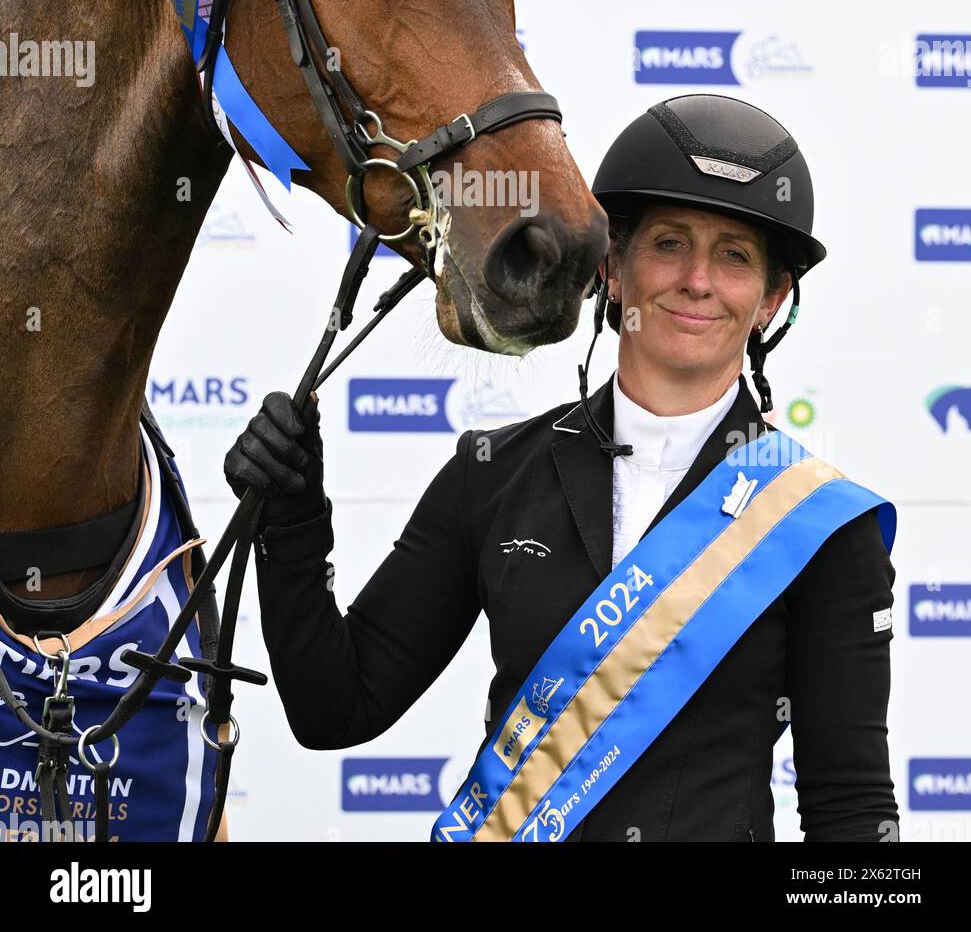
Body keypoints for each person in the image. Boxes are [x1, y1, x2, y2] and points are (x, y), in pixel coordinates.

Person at [224, 93, 898, 843]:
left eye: (733, 255)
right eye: (668, 243)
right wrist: (290, 521)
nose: (697, 280)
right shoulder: (491, 473)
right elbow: (335, 710)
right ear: (611, 268)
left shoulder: (819, 525)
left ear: (772, 299)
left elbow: (850, 810)